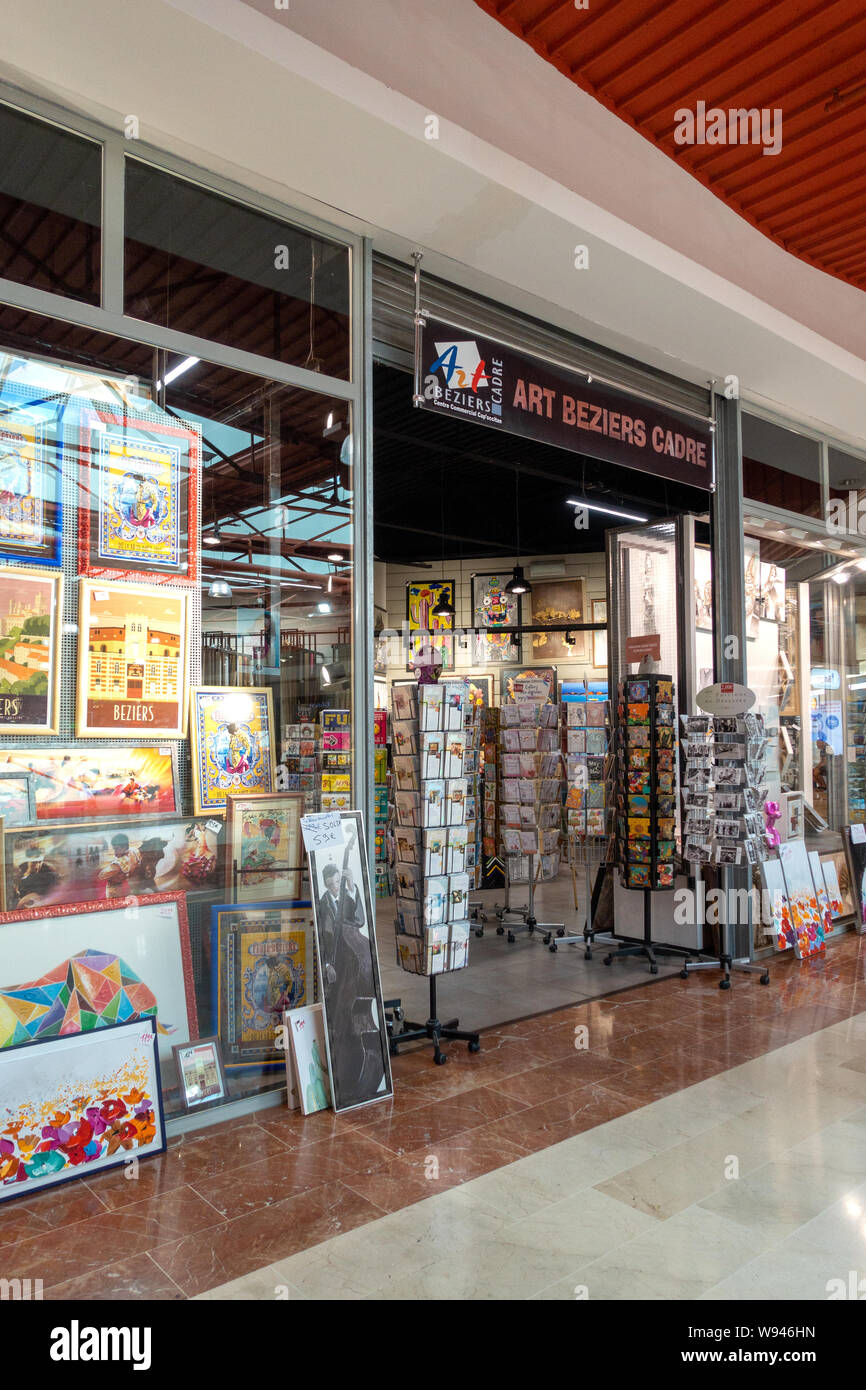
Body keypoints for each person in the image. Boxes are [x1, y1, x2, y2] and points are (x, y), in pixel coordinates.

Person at [316, 858, 382, 1107]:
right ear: (325, 883)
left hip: (350, 970)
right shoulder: (324, 904)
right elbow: (325, 935)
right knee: (338, 1011)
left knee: (349, 1010)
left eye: (337, 882)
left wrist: (353, 886)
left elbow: (359, 921)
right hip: (337, 968)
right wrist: (326, 964)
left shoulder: (346, 894)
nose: (334, 887)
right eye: (330, 884)